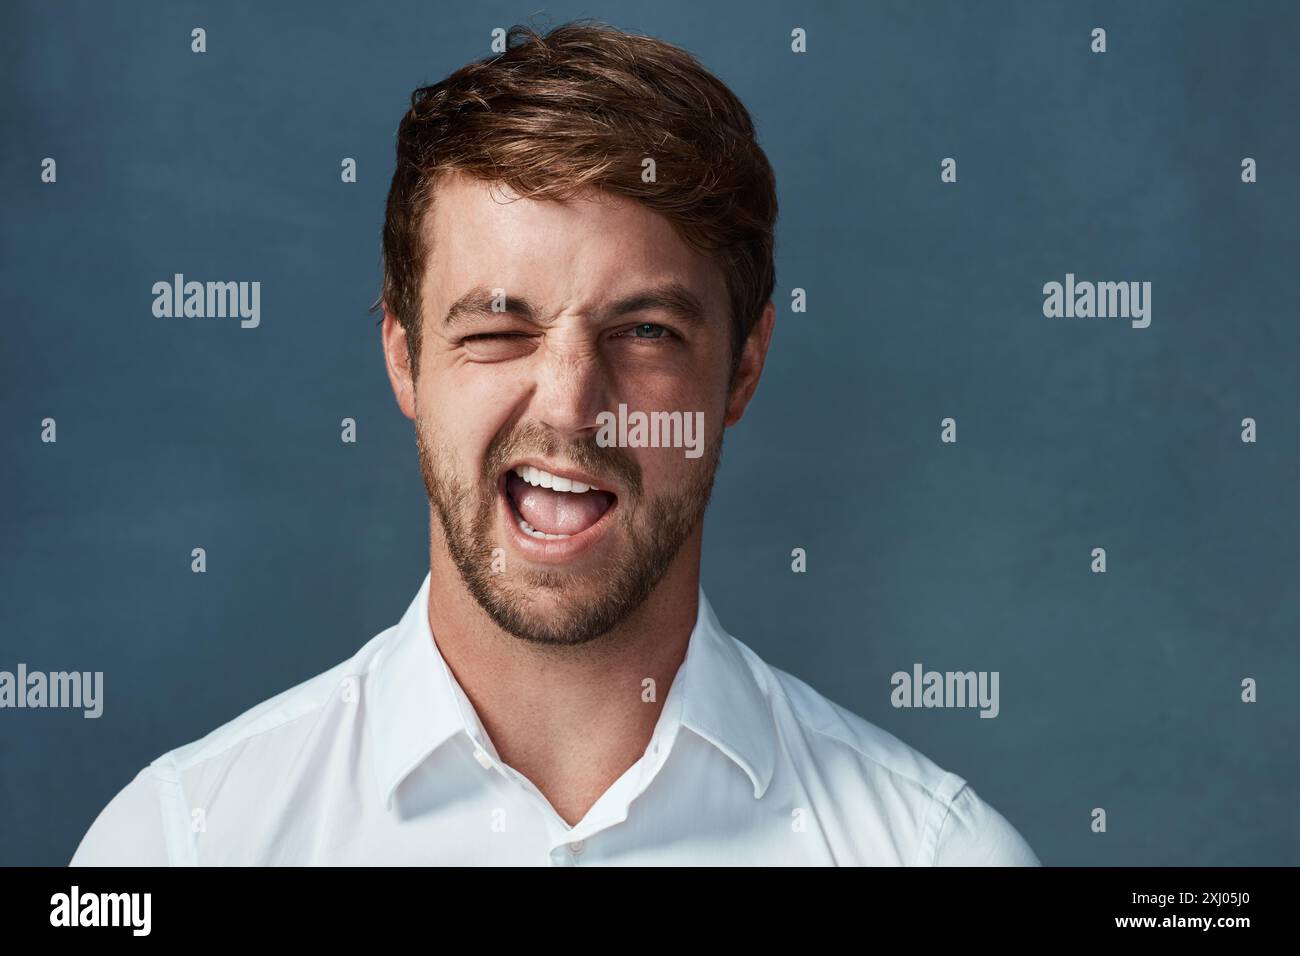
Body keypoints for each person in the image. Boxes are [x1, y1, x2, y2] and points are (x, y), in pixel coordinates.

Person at [71, 22, 1039, 866]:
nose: (573, 407)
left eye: (646, 331)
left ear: (741, 368)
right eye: (497, 330)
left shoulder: (934, 852)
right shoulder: (181, 843)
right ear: (406, 362)